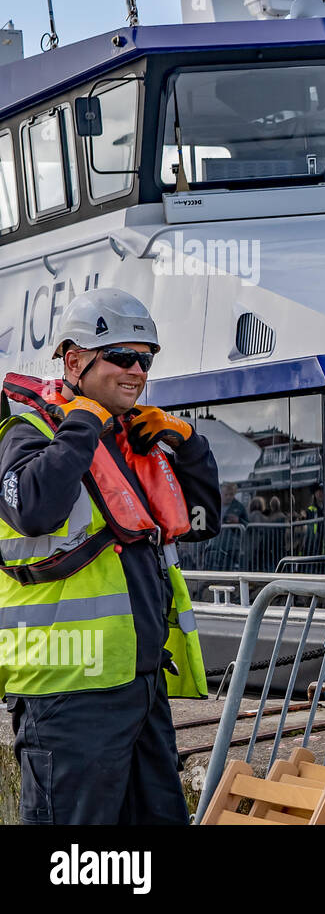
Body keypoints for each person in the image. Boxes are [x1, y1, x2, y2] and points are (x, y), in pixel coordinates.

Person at [0, 287, 221, 823]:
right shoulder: (27, 434)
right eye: (122, 356)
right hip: (68, 696)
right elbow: (32, 508)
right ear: (74, 361)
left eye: (146, 359)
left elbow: (202, 523)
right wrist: (81, 424)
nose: (138, 370)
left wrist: (188, 443)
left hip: (140, 688)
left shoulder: (129, 443)